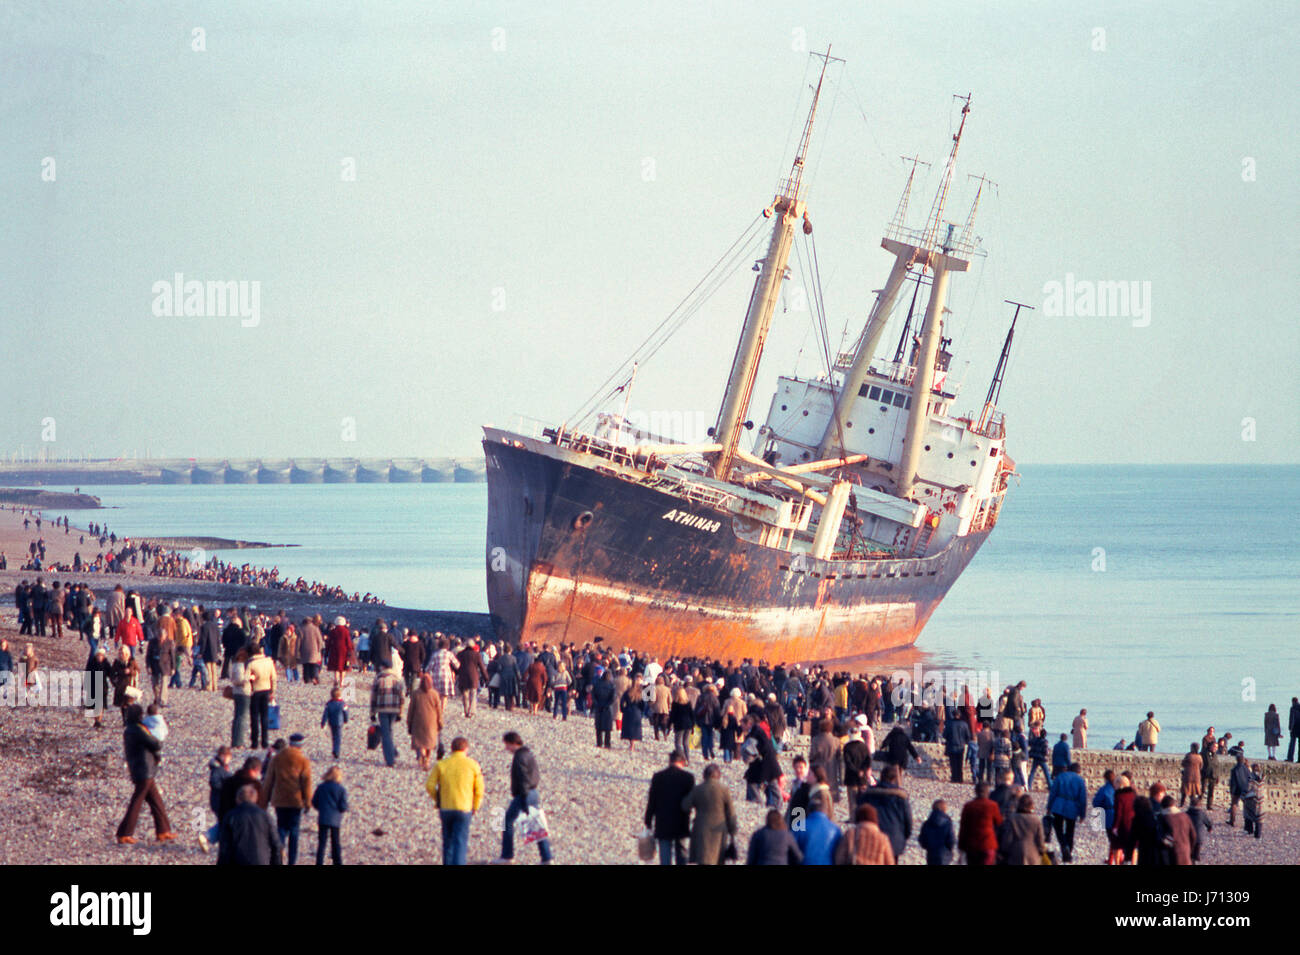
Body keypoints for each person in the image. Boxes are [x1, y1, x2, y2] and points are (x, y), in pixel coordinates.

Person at [115, 703, 176, 845]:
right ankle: (124, 833)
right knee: (137, 802)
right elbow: (156, 744)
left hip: (139, 769)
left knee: (156, 801)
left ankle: (163, 831)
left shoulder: (129, 729)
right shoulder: (137, 730)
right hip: (144, 770)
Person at [426, 737, 485, 865]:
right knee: (460, 841)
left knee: (447, 841)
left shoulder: (441, 764)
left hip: (446, 807)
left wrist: (438, 798)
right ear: (466, 749)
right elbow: (479, 789)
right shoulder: (473, 765)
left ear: (451, 749)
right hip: (464, 808)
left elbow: (430, 785)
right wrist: (476, 806)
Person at [496, 731, 554, 864]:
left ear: (512, 743)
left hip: (524, 794)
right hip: (533, 792)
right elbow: (535, 775)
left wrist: (522, 796)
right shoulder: (528, 753)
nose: (506, 748)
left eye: (507, 745)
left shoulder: (519, 756)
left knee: (507, 821)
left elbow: (523, 778)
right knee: (536, 824)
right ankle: (547, 857)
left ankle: (507, 856)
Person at [260, 732, 313, 865]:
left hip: (280, 800)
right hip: (296, 801)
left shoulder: (277, 759)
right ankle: (292, 861)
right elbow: (306, 783)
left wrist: (264, 802)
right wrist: (308, 803)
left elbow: (268, 782)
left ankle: (277, 857)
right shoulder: (303, 761)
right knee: (294, 831)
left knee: (281, 828)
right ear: (300, 746)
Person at [645, 750, 694, 865]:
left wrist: (648, 820)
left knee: (665, 854)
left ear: (670, 761)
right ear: (682, 762)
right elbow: (690, 802)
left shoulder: (658, 777)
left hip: (663, 821)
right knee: (681, 853)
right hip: (681, 821)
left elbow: (652, 801)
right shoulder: (688, 778)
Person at [681, 763, 737, 865]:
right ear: (718, 775)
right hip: (719, 830)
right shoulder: (724, 790)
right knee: (718, 859)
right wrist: (733, 831)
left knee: (703, 858)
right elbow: (731, 812)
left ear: (704, 775)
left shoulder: (698, 789)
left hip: (701, 828)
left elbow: (685, 805)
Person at [856, 765, 912, 861]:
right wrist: (904, 835)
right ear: (894, 779)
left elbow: (859, 812)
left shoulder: (869, 794)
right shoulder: (900, 797)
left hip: (873, 837)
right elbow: (908, 820)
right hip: (895, 837)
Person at [217, 784, 282, 866]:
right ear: (255, 798)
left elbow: (224, 848)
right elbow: (276, 845)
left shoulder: (230, 816)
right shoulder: (265, 816)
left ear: (238, 798)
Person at [1048, 760, 1088, 863]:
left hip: (1058, 806)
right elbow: (1083, 799)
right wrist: (1082, 814)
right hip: (1072, 807)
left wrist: (1049, 807)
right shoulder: (1080, 780)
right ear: (1078, 771)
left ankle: (1063, 845)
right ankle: (1068, 854)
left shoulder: (1060, 777)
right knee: (1070, 831)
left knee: (1058, 829)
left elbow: (1053, 793)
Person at [369, 664, 406, 767]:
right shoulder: (397, 680)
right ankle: (393, 751)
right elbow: (402, 697)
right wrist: (401, 712)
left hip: (382, 709)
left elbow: (373, 697)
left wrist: (372, 712)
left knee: (385, 733)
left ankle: (390, 760)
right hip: (394, 709)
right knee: (389, 730)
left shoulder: (379, 679)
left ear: (383, 667)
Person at [311, 765, 349, 865]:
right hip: (335, 819)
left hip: (323, 818)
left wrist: (321, 808)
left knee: (322, 843)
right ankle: (338, 862)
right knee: (335, 842)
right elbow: (343, 806)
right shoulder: (341, 789)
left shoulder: (321, 787)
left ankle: (319, 862)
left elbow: (314, 802)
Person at [957, 782, 1003, 866]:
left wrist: (961, 848)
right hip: (988, 843)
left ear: (976, 792)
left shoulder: (968, 806)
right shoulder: (993, 805)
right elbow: (999, 822)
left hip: (971, 845)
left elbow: (963, 828)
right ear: (988, 792)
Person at [408, 673, 444, 771]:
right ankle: (427, 760)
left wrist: (409, 722)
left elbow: (411, 709)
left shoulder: (415, 694)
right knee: (430, 743)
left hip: (418, 721)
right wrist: (440, 722)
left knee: (420, 743)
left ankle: (422, 755)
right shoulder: (434, 694)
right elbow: (439, 710)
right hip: (432, 722)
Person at [998, 793, 1046, 865]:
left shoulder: (1013, 819)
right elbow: (1040, 839)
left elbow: (1008, 839)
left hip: (1016, 854)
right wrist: (1042, 850)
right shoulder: (1036, 820)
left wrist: (1004, 851)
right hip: (1033, 854)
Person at [247, 645, 277, 750]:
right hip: (266, 690)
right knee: (264, 716)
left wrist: (251, 679)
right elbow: (273, 678)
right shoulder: (269, 662)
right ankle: (265, 741)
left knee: (254, 717)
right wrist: (272, 691)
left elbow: (246, 679)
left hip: (255, 691)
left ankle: (255, 742)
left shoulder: (251, 664)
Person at [455, 640, 488, 717]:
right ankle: (472, 711)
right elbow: (482, 667)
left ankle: (466, 710)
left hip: (463, 676)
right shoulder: (477, 654)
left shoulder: (460, 654)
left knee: (465, 694)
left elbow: (455, 665)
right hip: (473, 676)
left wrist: (457, 673)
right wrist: (486, 677)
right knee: (473, 694)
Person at [918, 799, 955, 866]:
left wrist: (928, 847)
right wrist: (948, 850)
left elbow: (922, 840)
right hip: (944, 855)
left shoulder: (927, 823)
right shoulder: (947, 822)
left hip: (931, 855)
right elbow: (951, 840)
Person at [228, 648, 252, 749]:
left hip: (236, 693)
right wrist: (249, 678)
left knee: (237, 717)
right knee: (242, 718)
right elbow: (238, 680)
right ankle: (238, 742)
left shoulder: (234, 665)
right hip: (243, 692)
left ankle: (235, 741)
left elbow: (232, 678)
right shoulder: (240, 666)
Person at [943, 709, 973, 783]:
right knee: (960, 763)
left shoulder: (949, 724)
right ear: (959, 715)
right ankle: (960, 778)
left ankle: (954, 778)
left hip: (951, 746)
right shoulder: (964, 724)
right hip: (961, 746)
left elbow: (944, 735)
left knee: (953, 763)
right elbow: (968, 736)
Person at [321, 686, 348, 760]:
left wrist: (323, 723)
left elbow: (325, 714)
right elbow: (345, 713)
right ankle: (336, 751)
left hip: (332, 722)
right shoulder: (343, 704)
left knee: (334, 736)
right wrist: (346, 720)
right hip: (339, 722)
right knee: (338, 737)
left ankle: (334, 749)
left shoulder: (329, 704)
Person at [591, 670, 616, 749]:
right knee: (607, 727)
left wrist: (597, 703)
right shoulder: (611, 685)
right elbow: (613, 697)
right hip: (607, 708)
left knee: (599, 726)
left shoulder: (597, 684)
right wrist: (607, 704)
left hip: (599, 706)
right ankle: (607, 743)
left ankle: (599, 743)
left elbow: (593, 695)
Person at [620, 681, 644, 752]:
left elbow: (622, 702)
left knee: (629, 728)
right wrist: (641, 711)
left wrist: (623, 710)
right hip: (637, 711)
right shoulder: (640, 692)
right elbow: (643, 704)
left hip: (628, 711)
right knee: (635, 729)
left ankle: (631, 744)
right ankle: (633, 744)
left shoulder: (627, 692)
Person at [1186, 795, 1212, 862]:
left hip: (1189, 836)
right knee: (1197, 847)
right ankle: (1196, 856)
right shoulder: (1201, 814)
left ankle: (1191, 858)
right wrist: (1209, 828)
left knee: (1190, 849)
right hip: (1199, 836)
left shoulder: (1187, 813)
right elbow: (1208, 822)